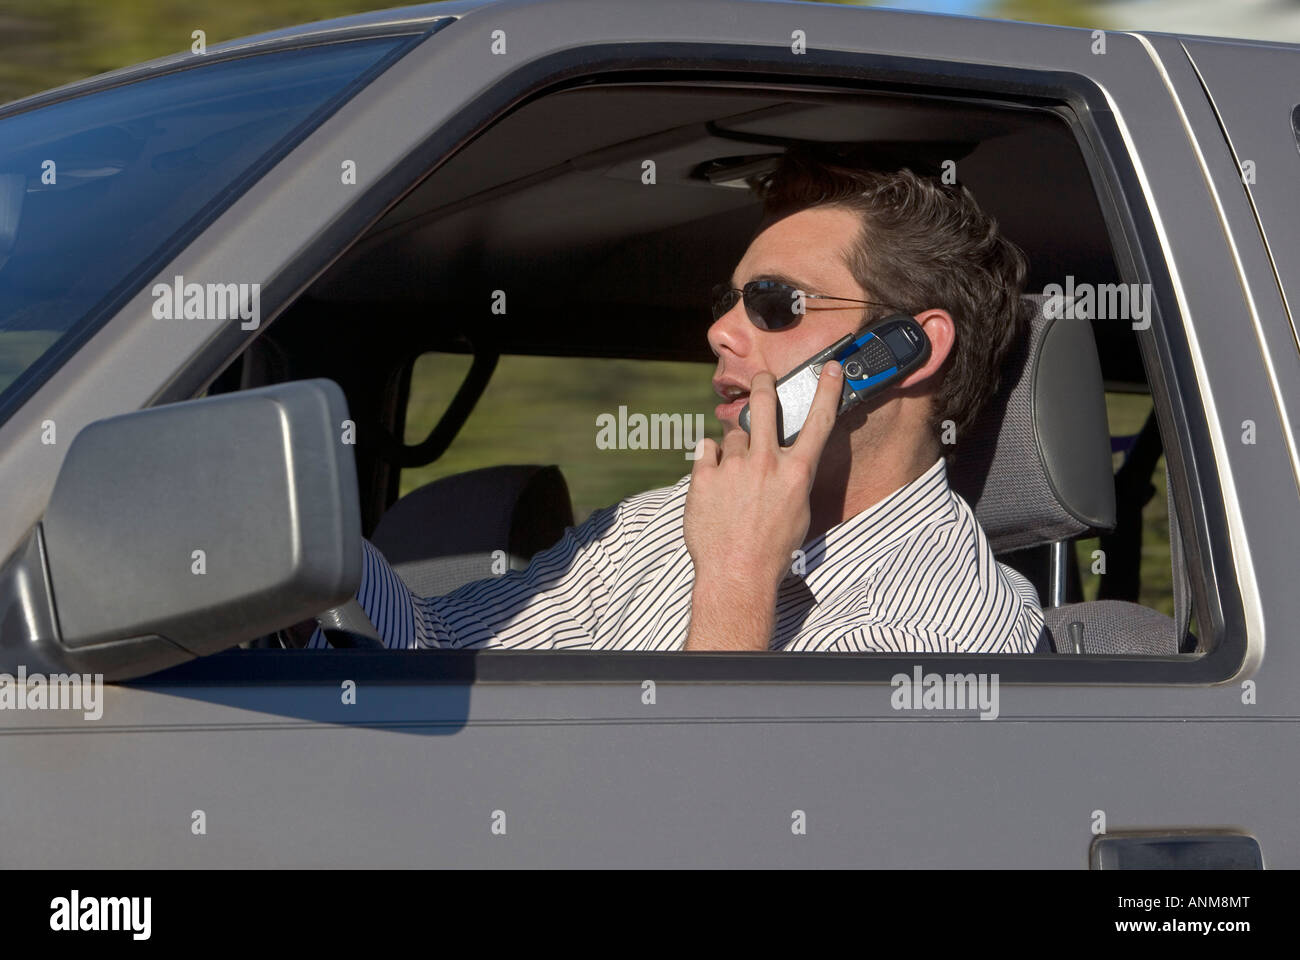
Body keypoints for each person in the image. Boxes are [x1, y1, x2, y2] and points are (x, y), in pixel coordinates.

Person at [307, 147, 1045, 652]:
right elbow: (433, 652)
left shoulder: (956, 632)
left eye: (773, 302)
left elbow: (723, 834)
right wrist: (300, 543)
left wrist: (737, 578)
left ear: (907, 349)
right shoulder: (656, 526)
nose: (720, 330)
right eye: (729, 300)